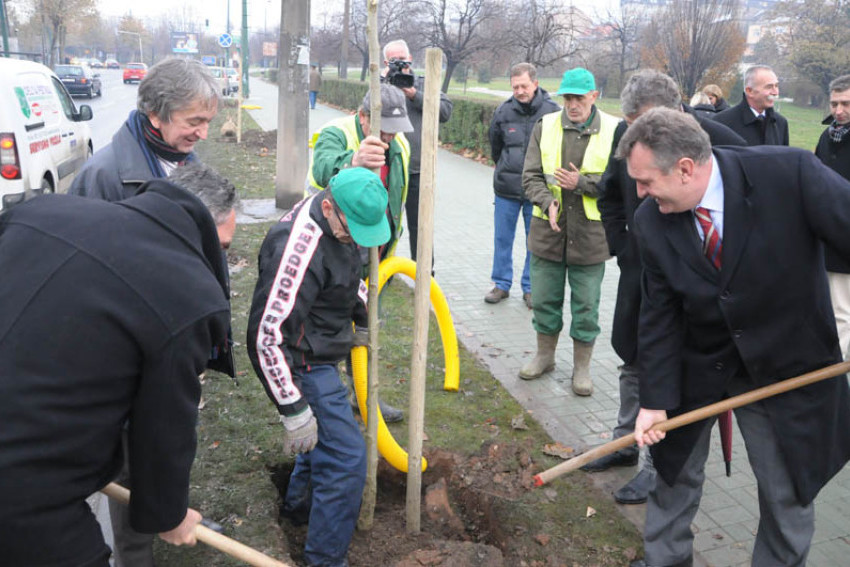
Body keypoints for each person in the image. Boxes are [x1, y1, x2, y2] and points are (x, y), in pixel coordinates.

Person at [618, 107, 850, 567]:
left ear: (685, 168)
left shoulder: (789, 175)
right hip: (699, 365)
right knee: (672, 474)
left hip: (788, 368)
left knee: (787, 495)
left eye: (646, 181)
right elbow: (659, 315)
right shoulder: (652, 221)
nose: (639, 193)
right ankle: (665, 561)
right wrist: (654, 400)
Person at [0, 162, 238, 567]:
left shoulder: (37, 213)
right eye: (224, 247)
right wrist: (169, 514)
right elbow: (164, 425)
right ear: (201, 231)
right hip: (25, 485)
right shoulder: (187, 293)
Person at [585, 70, 745, 505]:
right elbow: (608, 197)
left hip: (693, 294)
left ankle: (655, 467)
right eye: (629, 120)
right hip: (642, 276)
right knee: (635, 356)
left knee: (668, 374)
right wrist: (625, 246)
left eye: (640, 119)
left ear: (669, 111)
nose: (633, 129)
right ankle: (622, 443)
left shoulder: (718, 142)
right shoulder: (630, 140)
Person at [247, 167, 390, 567]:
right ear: (328, 207)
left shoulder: (340, 221)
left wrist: (361, 315)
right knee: (345, 458)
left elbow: (345, 272)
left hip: (322, 347)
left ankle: (299, 509)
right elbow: (265, 337)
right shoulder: (295, 250)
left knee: (323, 445)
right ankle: (324, 560)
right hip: (301, 362)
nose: (356, 241)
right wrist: (293, 407)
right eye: (351, 231)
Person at [519, 67, 616, 396]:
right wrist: (548, 202)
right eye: (567, 98)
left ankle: (582, 368)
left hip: (590, 238)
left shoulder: (615, 131)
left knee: (586, 306)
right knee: (545, 301)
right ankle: (544, 356)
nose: (572, 104)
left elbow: (621, 185)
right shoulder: (545, 127)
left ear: (593, 96)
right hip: (548, 233)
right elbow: (530, 176)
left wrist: (583, 184)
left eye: (579, 97)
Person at [70, 57, 219, 201]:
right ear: (155, 115)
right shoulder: (99, 178)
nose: (204, 134)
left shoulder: (192, 165)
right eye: (194, 122)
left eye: (208, 122)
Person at [485, 62, 559, 309]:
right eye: (515, 86)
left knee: (534, 241)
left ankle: (530, 288)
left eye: (524, 86)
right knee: (502, 239)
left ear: (535, 84)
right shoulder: (503, 112)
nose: (519, 91)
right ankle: (501, 284)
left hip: (537, 191)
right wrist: (505, 166)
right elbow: (495, 147)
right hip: (506, 189)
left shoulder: (552, 112)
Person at [382, 39, 453, 266]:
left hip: (416, 170)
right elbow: (364, 111)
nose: (400, 64)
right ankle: (382, 270)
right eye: (394, 60)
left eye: (403, 59)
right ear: (386, 62)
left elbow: (445, 111)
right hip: (387, 168)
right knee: (384, 222)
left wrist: (414, 94)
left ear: (410, 59)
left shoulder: (424, 83)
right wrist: (385, 83)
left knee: (420, 226)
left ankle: (424, 275)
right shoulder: (379, 84)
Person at [816, 74, 850, 358]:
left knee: (841, 312)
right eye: (834, 103)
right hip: (824, 238)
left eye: (846, 104)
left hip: (846, 240)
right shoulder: (826, 138)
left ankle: (834, 378)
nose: (838, 111)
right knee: (829, 308)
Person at [714, 65, 789, 146]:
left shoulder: (780, 123)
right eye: (769, 87)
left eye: (776, 86)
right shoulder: (722, 123)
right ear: (749, 91)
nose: (775, 92)